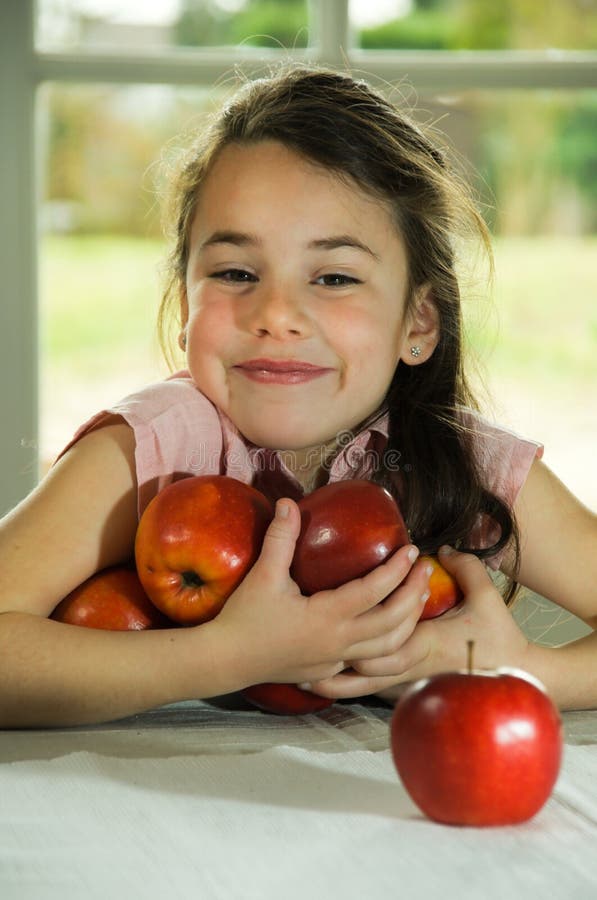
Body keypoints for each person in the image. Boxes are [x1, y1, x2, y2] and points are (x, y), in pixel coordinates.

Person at [0, 65, 595, 729]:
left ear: (417, 323)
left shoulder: (466, 463)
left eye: (334, 276)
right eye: (234, 273)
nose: (276, 314)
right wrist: (224, 657)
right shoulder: (151, 451)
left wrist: (519, 670)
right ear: (183, 308)